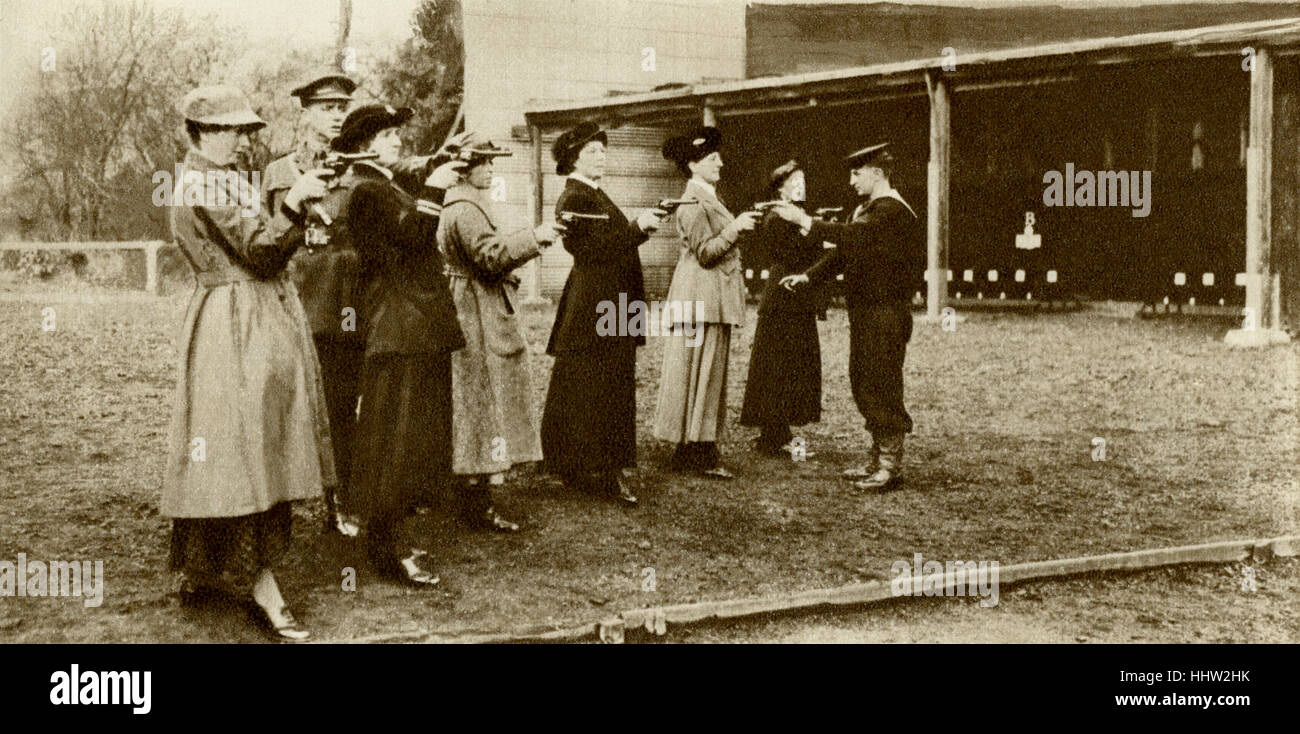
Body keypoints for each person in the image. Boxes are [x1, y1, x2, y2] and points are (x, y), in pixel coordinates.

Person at [163, 85, 336, 641]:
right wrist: (290, 206)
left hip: (254, 316)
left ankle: (207, 569)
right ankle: (256, 581)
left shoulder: (226, 177)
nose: (243, 139)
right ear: (202, 132)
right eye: (232, 130)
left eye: (244, 130)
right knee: (236, 443)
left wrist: (300, 214)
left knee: (250, 439)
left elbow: (268, 250)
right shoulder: (198, 183)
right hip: (230, 323)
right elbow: (259, 254)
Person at [333, 104, 468, 585]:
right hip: (398, 326)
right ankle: (386, 545)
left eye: (396, 133)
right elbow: (411, 240)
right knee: (395, 439)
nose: (397, 142)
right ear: (364, 145)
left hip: (413, 326)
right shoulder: (367, 191)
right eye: (387, 135)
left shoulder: (383, 184)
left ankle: (392, 535)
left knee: (409, 439)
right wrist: (436, 188)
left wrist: (439, 167)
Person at [773, 143, 923, 491]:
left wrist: (806, 221)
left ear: (877, 173)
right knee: (865, 379)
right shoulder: (868, 209)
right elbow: (845, 251)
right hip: (867, 311)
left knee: (882, 382)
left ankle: (889, 464)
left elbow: (854, 237)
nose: (852, 180)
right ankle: (877, 458)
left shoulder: (891, 211)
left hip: (885, 312)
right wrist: (810, 276)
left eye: (857, 173)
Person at [437, 135, 564, 530]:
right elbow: (489, 258)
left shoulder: (459, 203)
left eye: (491, 161)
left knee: (473, 403)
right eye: (484, 162)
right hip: (475, 310)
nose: (491, 168)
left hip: (470, 304)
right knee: (481, 404)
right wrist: (534, 238)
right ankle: (475, 504)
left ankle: (468, 493)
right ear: (464, 167)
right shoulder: (465, 208)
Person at [540, 122, 667, 505]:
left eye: (603, 150)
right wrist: (637, 228)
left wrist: (640, 227)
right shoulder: (574, 197)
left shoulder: (592, 193)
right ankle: (598, 470)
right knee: (599, 383)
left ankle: (582, 464)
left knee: (606, 379)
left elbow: (611, 243)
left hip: (612, 300)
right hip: (596, 303)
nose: (602, 156)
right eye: (592, 151)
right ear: (574, 159)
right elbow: (589, 251)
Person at [262, 69, 359, 535]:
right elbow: (266, 236)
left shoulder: (356, 170)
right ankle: (277, 501)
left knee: (340, 406)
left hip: (345, 306)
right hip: (295, 302)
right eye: (327, 108)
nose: (337, 115)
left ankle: (339, 500)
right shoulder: (278, 174)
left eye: (342, 108)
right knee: (286, 403)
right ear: (305, 113)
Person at [652, 126, 760, 478]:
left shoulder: (705, 197)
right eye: (713, 159)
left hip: (704, 297)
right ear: (695, 164)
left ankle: (693, 448)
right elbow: (706, 253)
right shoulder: (694, 202)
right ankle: (699, 451)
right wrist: (737, 228)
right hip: (702, 298)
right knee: (702, 374)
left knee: (698, 374)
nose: (721, 163)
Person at [740, 160, 825, 457]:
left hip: (796, 296)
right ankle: (774, 434)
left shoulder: (797, 215)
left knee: (790, 366)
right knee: (779, 366)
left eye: (803, 178)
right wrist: (808, 230)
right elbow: (789, 253)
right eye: (794, 180)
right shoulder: (776, 217)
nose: (801, 184)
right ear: (781, 188)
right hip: (782, 298)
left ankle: (776, 433)